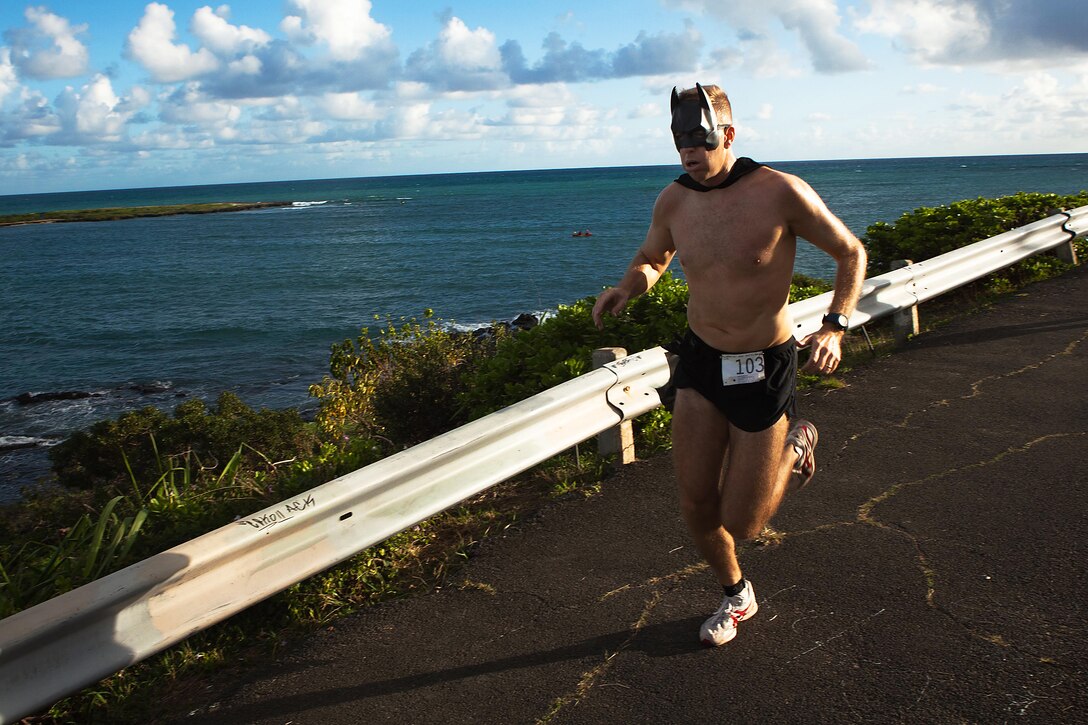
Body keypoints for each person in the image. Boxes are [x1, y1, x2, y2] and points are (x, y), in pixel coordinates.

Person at [591, 83, 867, 647]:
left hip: (765, 365)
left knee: (744, 523)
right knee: (695, 500)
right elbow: (653, 257)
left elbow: (850, 252)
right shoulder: (674, 199)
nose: (689, 152)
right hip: (700, 361)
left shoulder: (781, 193)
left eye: (700, 139)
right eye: (679, 142)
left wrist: (835, 325)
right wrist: (628, 286)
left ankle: (797, 442)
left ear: (729, 136)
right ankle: (736, 595)